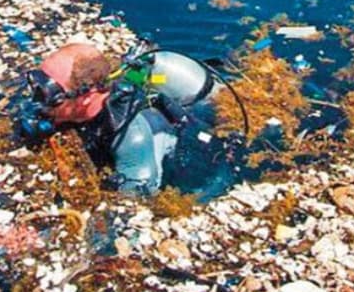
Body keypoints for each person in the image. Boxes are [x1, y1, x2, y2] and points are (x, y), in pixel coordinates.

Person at [12, 41, 243, 195]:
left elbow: (138, 197)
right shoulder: (76, 99)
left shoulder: (132, 137)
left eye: (48, 93)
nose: (37, 100)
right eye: (38, 82)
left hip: (179, 150)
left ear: (85, 98)